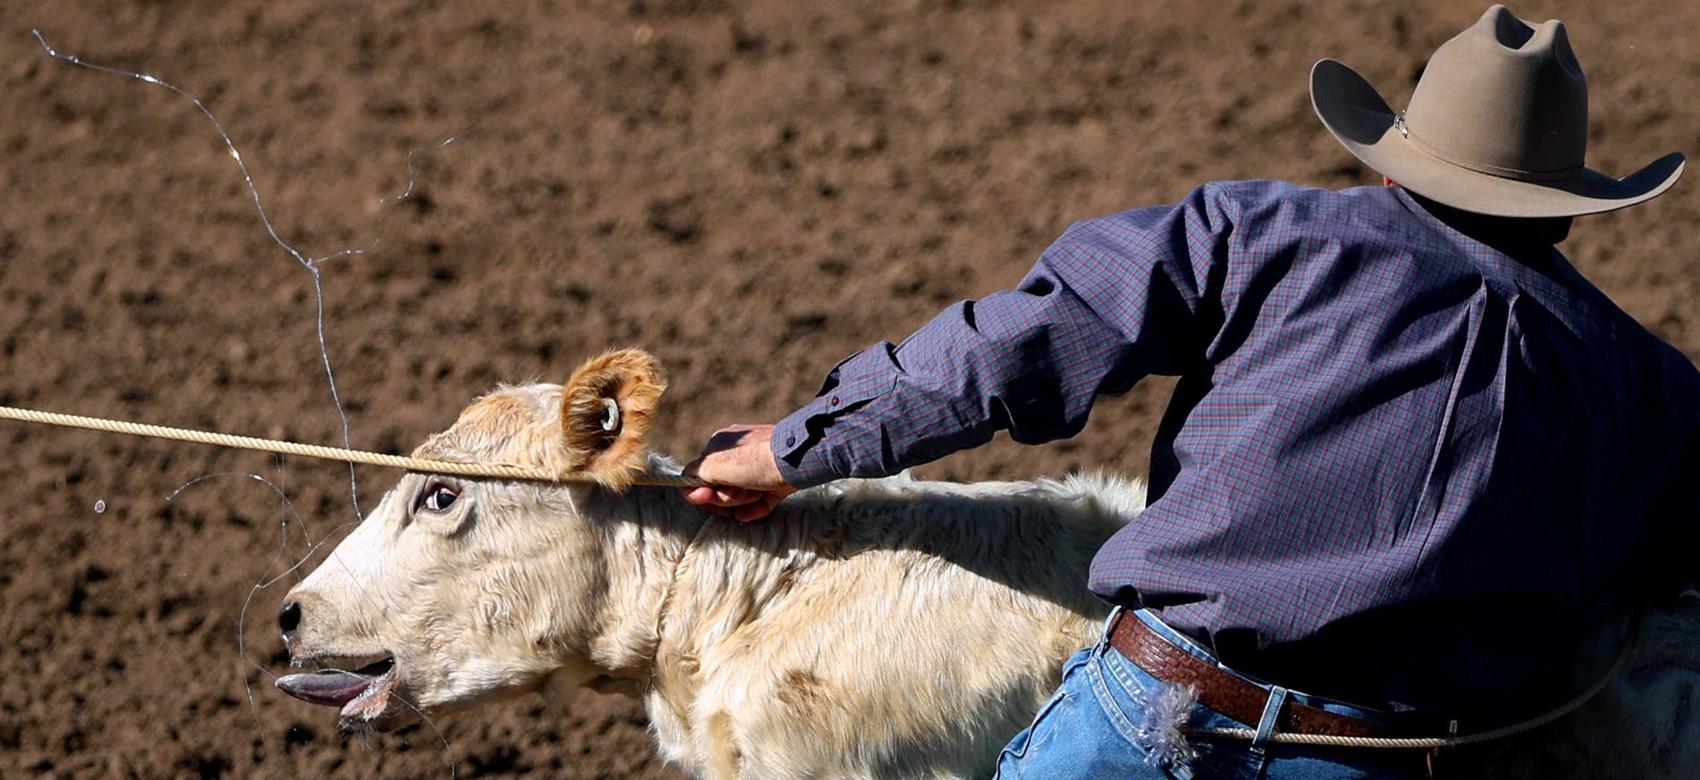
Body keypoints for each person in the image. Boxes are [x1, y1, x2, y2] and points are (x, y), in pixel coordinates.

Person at [682, 5, 1693, 778]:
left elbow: (1026, 338)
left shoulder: (1264, 230)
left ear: (1394, 164)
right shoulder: (1647, 391)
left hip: (1152, 713)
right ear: (1566, 208)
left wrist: (795, 447)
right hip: (1374, 756)